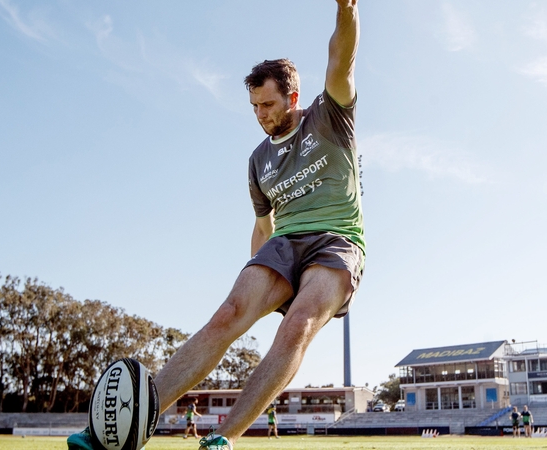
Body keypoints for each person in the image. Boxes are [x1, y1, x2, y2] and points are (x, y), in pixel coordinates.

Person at [68, 1, 363, 448]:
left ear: (293, 98)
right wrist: (257, 281)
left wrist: (346, 8)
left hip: (336, 242)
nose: (260, 114)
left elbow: (342, 57)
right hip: (283, 244)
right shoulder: (258, 161)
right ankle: (123, 431)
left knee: (298, 324)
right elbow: (263, 227)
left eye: (268, 104)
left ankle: (222, 439)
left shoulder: (330, 116)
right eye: (254, 106)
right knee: (227, 315)